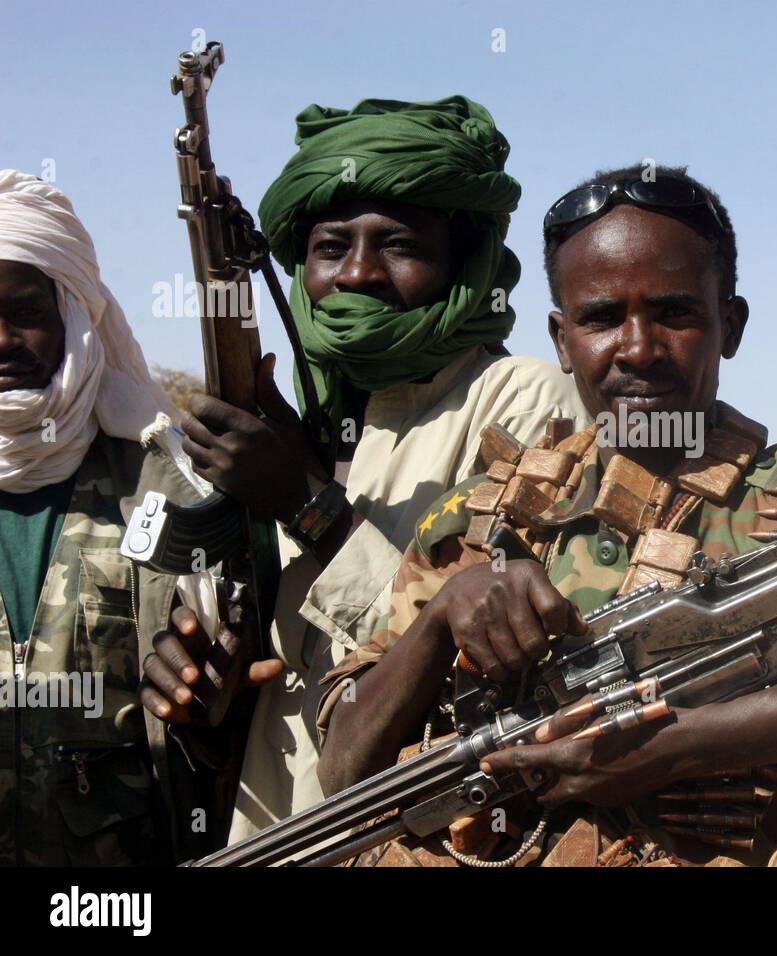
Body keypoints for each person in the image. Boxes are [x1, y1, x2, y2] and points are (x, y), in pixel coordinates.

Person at [314, 165, 777, 867]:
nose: (638, 349)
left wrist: (681, 744)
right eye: (602, 318)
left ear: (729, 325)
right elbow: (345, 772)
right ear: (562, 341)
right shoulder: (483, 515)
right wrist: (443, 617)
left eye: (674, 314)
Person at [138, 97, 586, 843]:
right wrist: (197, 689)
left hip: (423, 836)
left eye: (399, 246)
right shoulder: (298, 412)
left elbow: (489, 654)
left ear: (461, 261)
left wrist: (306, 504)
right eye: (330, 246)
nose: (358, 274)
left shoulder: (522, 401)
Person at [0, 170, 226, 864]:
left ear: (70, 313)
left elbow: (217, 701)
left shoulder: (156, 477)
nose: (3, 338)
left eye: (26, 312)